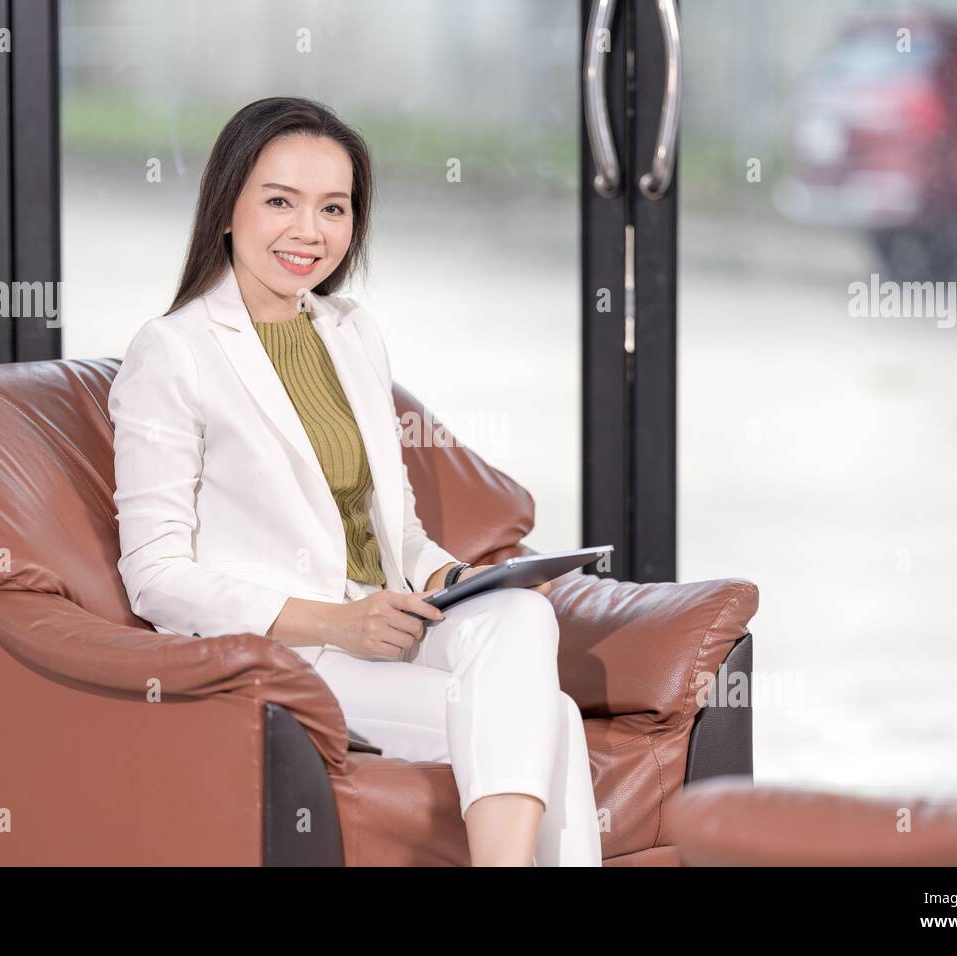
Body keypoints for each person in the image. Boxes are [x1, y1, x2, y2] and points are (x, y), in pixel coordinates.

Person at [107, 96, 601, 866]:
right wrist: (337, 623)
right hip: (288, 653)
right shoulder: (172, 352)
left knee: (521, 620)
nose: (310, 231)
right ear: (227, 209)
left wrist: (456, 576)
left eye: (333, 208)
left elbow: (394, 527)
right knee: (552, 719)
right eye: (280, 201)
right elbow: (155, 576)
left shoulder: (351, 331)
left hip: (390, 625)